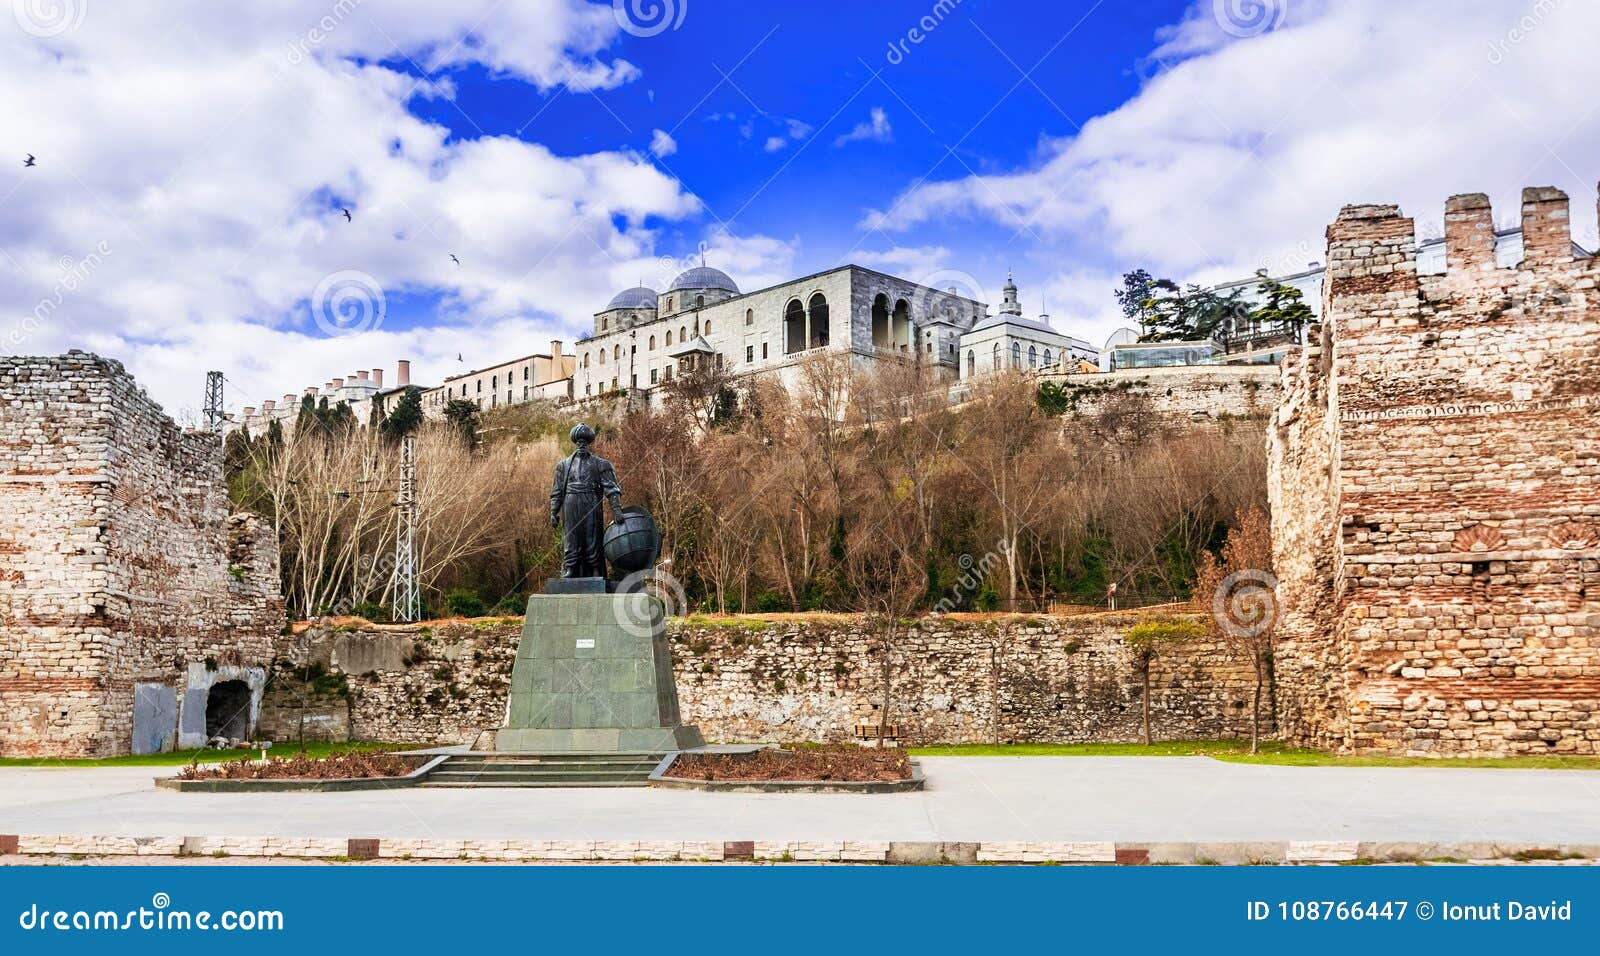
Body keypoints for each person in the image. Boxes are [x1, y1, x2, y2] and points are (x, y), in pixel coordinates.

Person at [549, 423, 622, 578]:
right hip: (570, 502)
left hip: (591, 501)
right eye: (579, 442)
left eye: (584, 443)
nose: (581, 445)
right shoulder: (563, 465)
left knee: (592, 535)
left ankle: (595, 568)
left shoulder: (601, 464)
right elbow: (557, 491)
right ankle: (571, 567)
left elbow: (612, 488)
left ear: (589, 444)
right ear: (575, 443)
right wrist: (553, 512)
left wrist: (616, 509)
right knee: (571, 536)